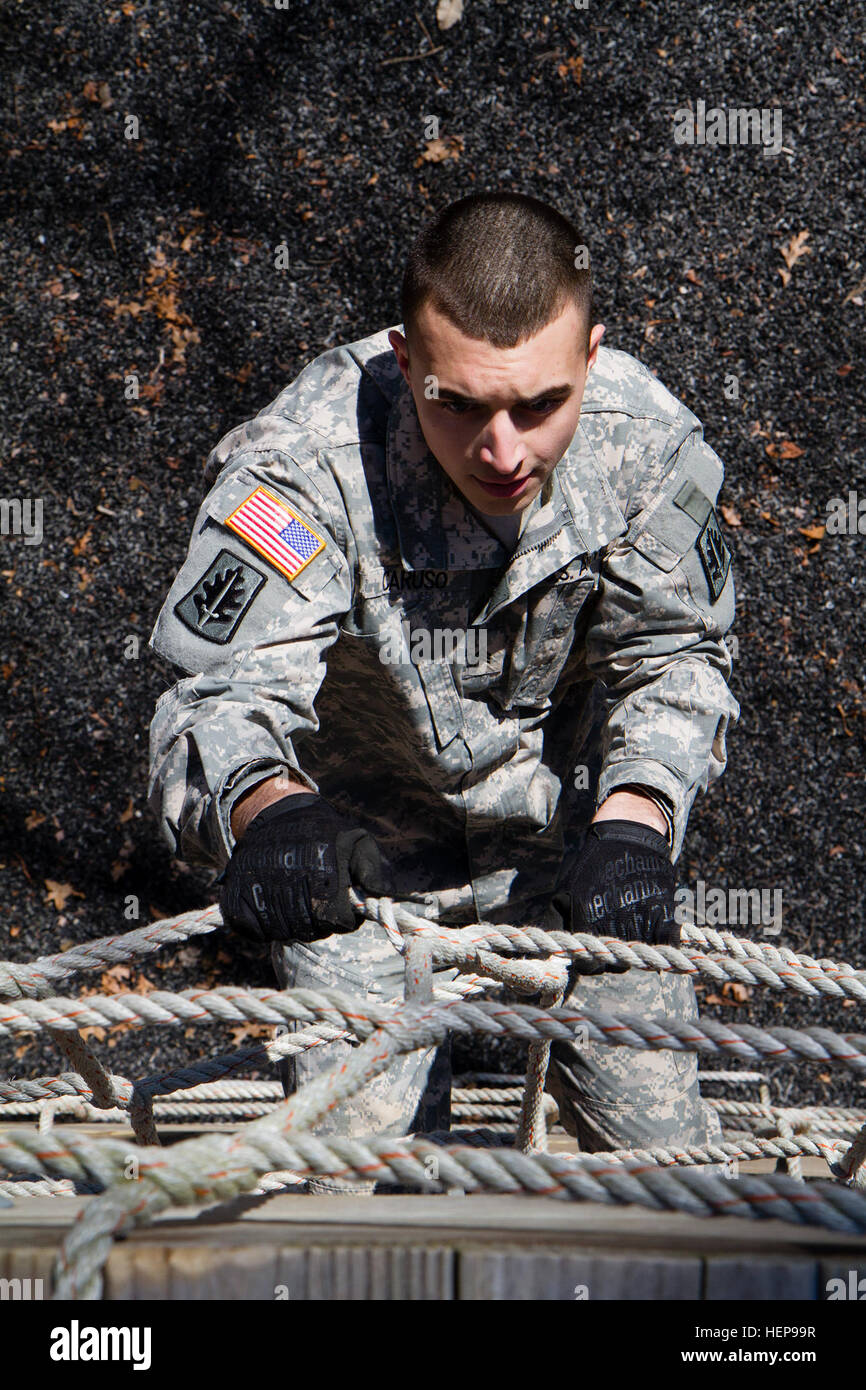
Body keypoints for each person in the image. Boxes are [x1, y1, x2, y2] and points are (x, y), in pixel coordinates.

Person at [147, 191, 739, 1187]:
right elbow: (217, 698)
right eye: (455, 404)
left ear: (589, 361)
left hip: (577, 864)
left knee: (668, 1173)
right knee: (362, 1197)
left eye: (539, 405)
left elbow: (675, 657)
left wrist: (638, 818)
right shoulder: (301, 465)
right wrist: (269, 811)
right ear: (402, 359)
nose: (499, 452)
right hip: (357, 879)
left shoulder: (647, 450)